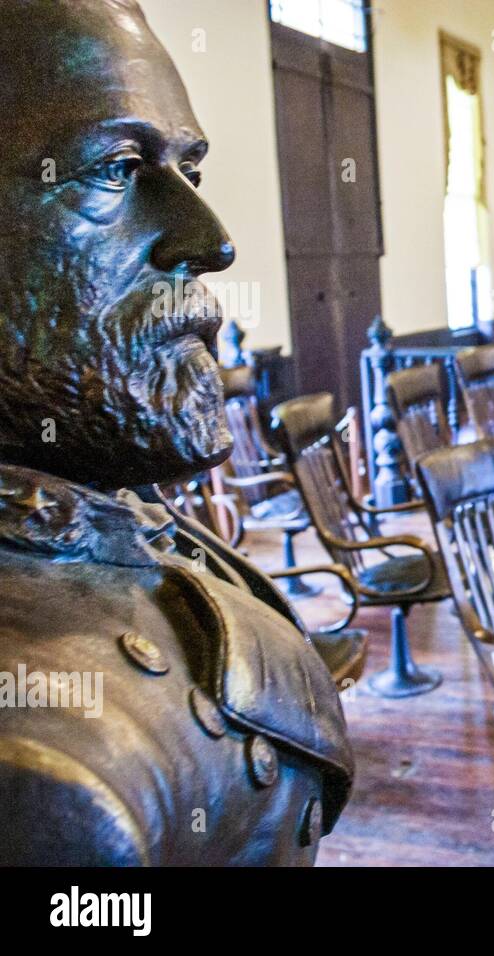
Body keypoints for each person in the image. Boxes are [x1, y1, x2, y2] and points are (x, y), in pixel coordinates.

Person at [0, 0, 353, 865]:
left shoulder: (104, 513)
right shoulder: (45, 777)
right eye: (116, 168)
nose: (212, 241)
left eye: (189, 167)